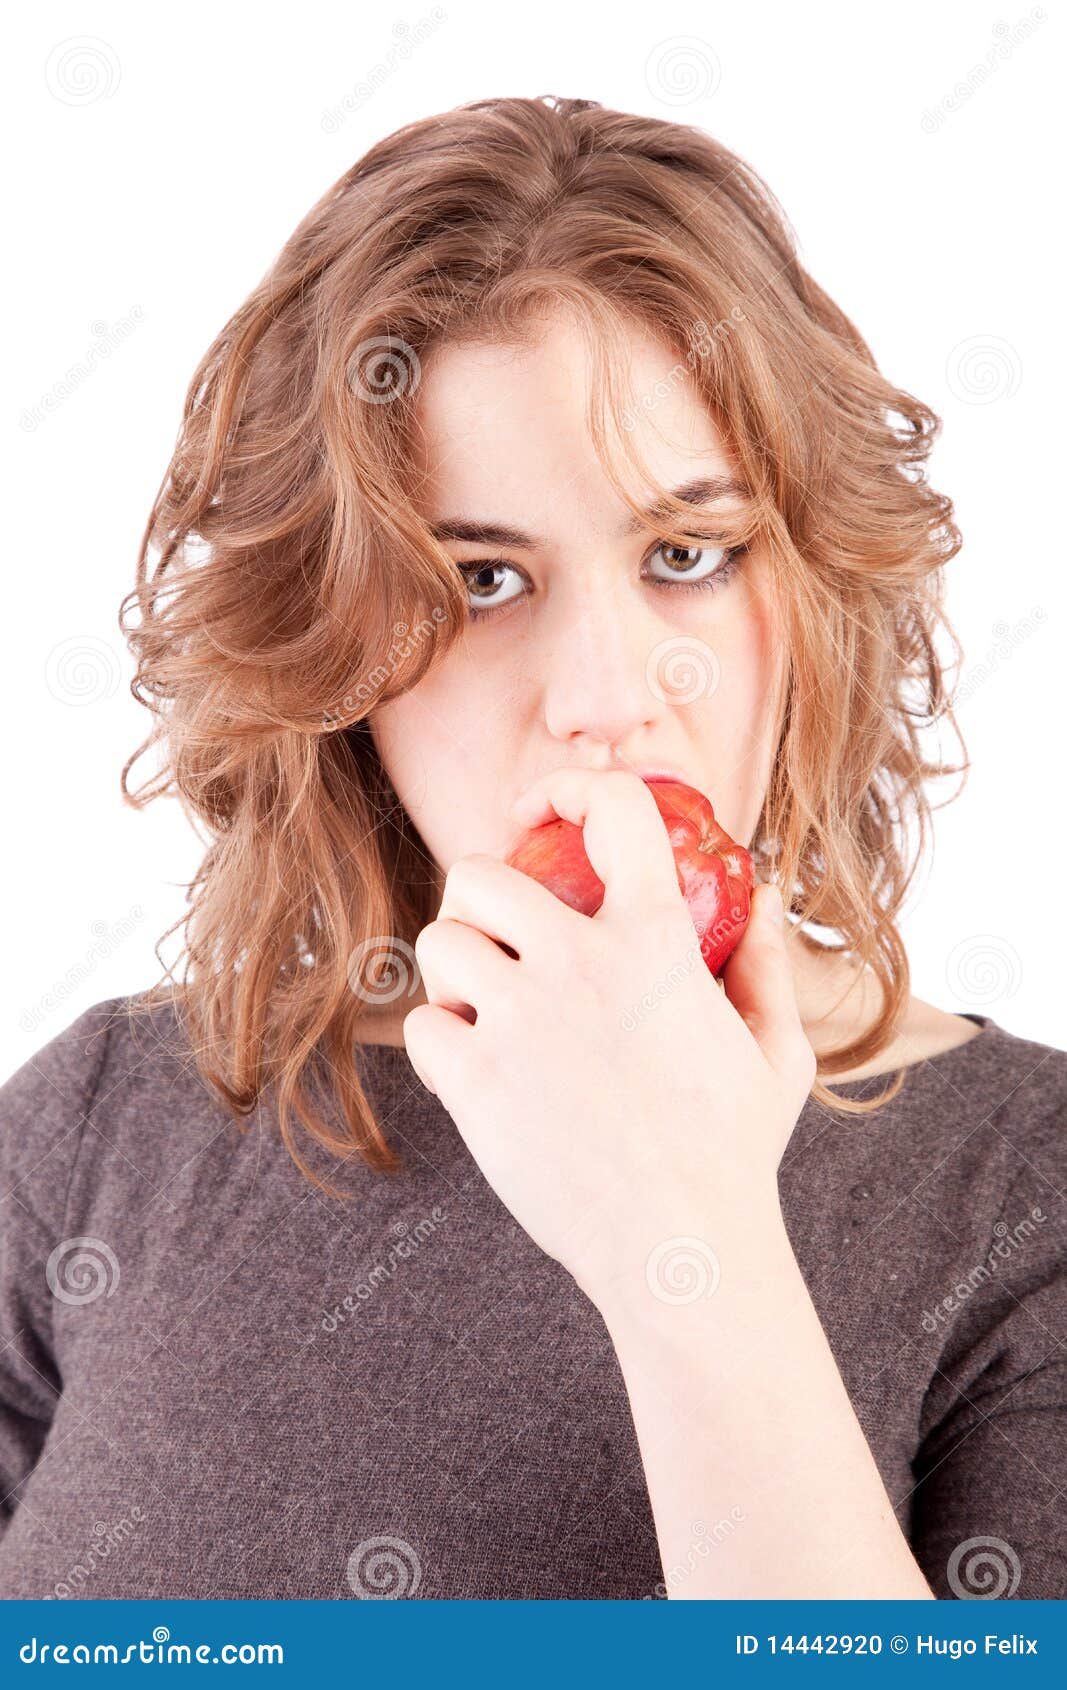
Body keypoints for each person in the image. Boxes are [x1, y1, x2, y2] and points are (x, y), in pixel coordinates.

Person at [1, 95, 1063, 1601]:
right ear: (332, 645)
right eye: (481, 577)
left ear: (817, 586)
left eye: (687, 556)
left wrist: (682, 1236)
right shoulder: (99, 1134)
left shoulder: (1029, 1189)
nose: (610, 704)